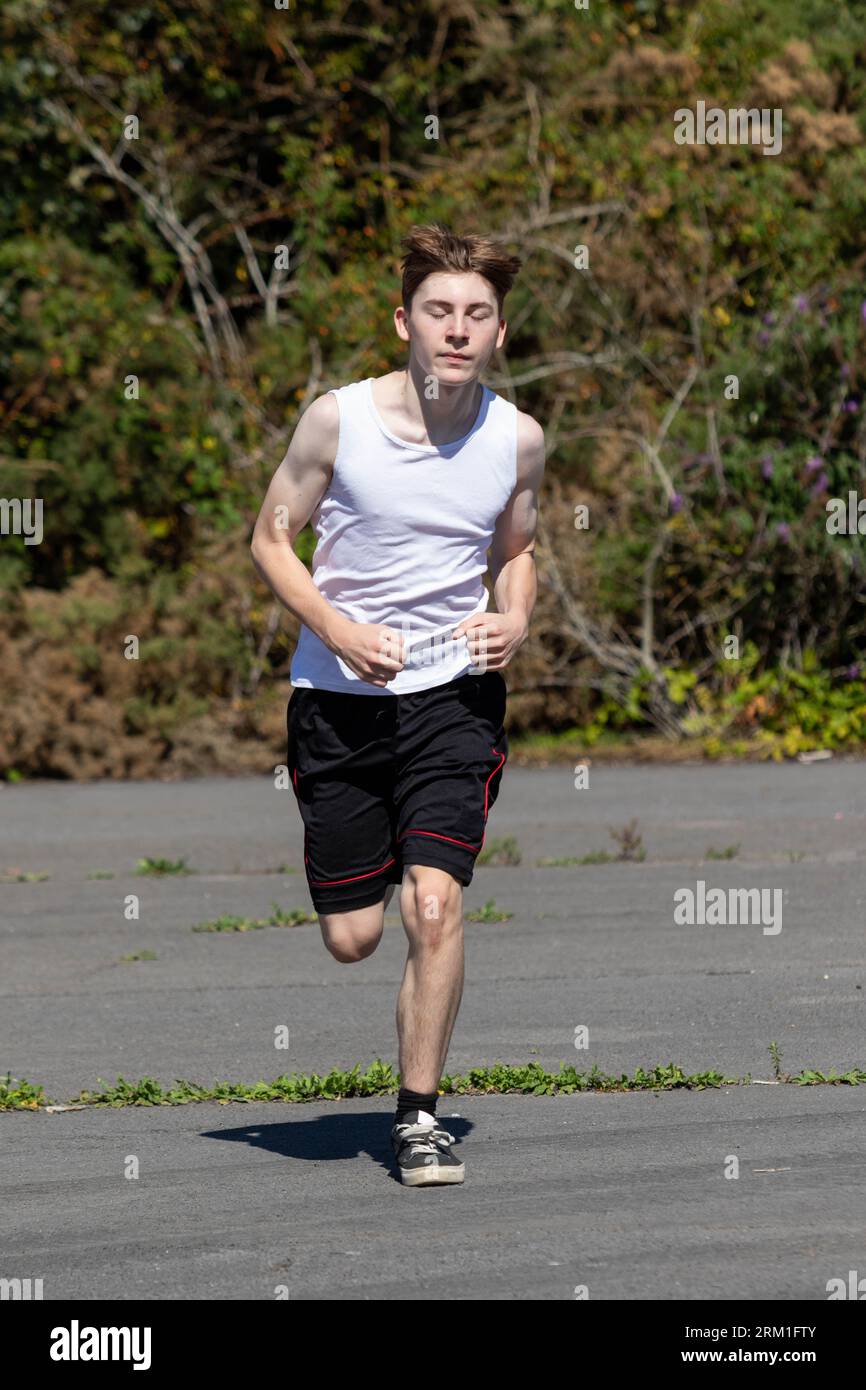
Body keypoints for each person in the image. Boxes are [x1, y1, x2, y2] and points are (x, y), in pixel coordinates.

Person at [250, 222, 545, 1185]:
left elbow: (517, 552)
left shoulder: (516, 438)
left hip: (453, 699)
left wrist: (516, 622)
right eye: (438, 311)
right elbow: (270, 541)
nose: (456, 330)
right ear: (404, 322)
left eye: (477, 314)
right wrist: (336, 630)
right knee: (352, 938)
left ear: (499, 331)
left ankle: (418, 1117)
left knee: (434, 903)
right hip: (337, 703)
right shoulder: (337, 422)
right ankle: (360, 871)